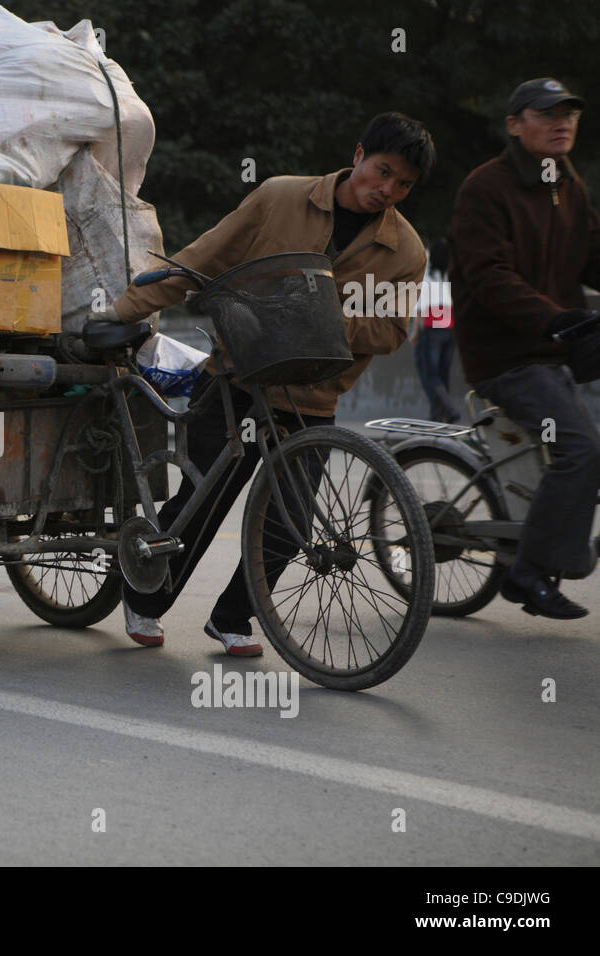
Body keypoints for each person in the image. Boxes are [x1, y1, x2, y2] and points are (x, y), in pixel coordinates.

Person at [114, 112, 435, 653]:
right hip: (234, 378)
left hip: (312, 395)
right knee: (205, 499)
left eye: (403, 184)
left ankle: (234, 616)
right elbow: (201, 260)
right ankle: (144, 599)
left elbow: (392, 329)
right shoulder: (280, 197)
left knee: (290, 522)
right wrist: (123, 310)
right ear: (358, 155)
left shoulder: (406, 251)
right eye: (382, 172)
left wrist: (320, 319)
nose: (388, 190)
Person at [449, 77, 600, 620]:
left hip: (558, 346)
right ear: (515, 123)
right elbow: (489, 277)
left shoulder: (569, 185)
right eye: (548, 113)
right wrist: (555, 318)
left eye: (570, 114)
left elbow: (592, 258)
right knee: (581, 448)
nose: (563, 122)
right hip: (508, 357)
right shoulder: (484, 188)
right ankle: (529, 572)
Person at [412, 237, 461, 422]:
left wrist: (415, 331)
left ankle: (448, 409)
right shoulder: (452, 274)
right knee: (443, 373)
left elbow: (420, 304)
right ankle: (438, 415)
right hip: (450, 326)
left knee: (429, 373)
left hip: (432, 325)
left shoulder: (428, 274)